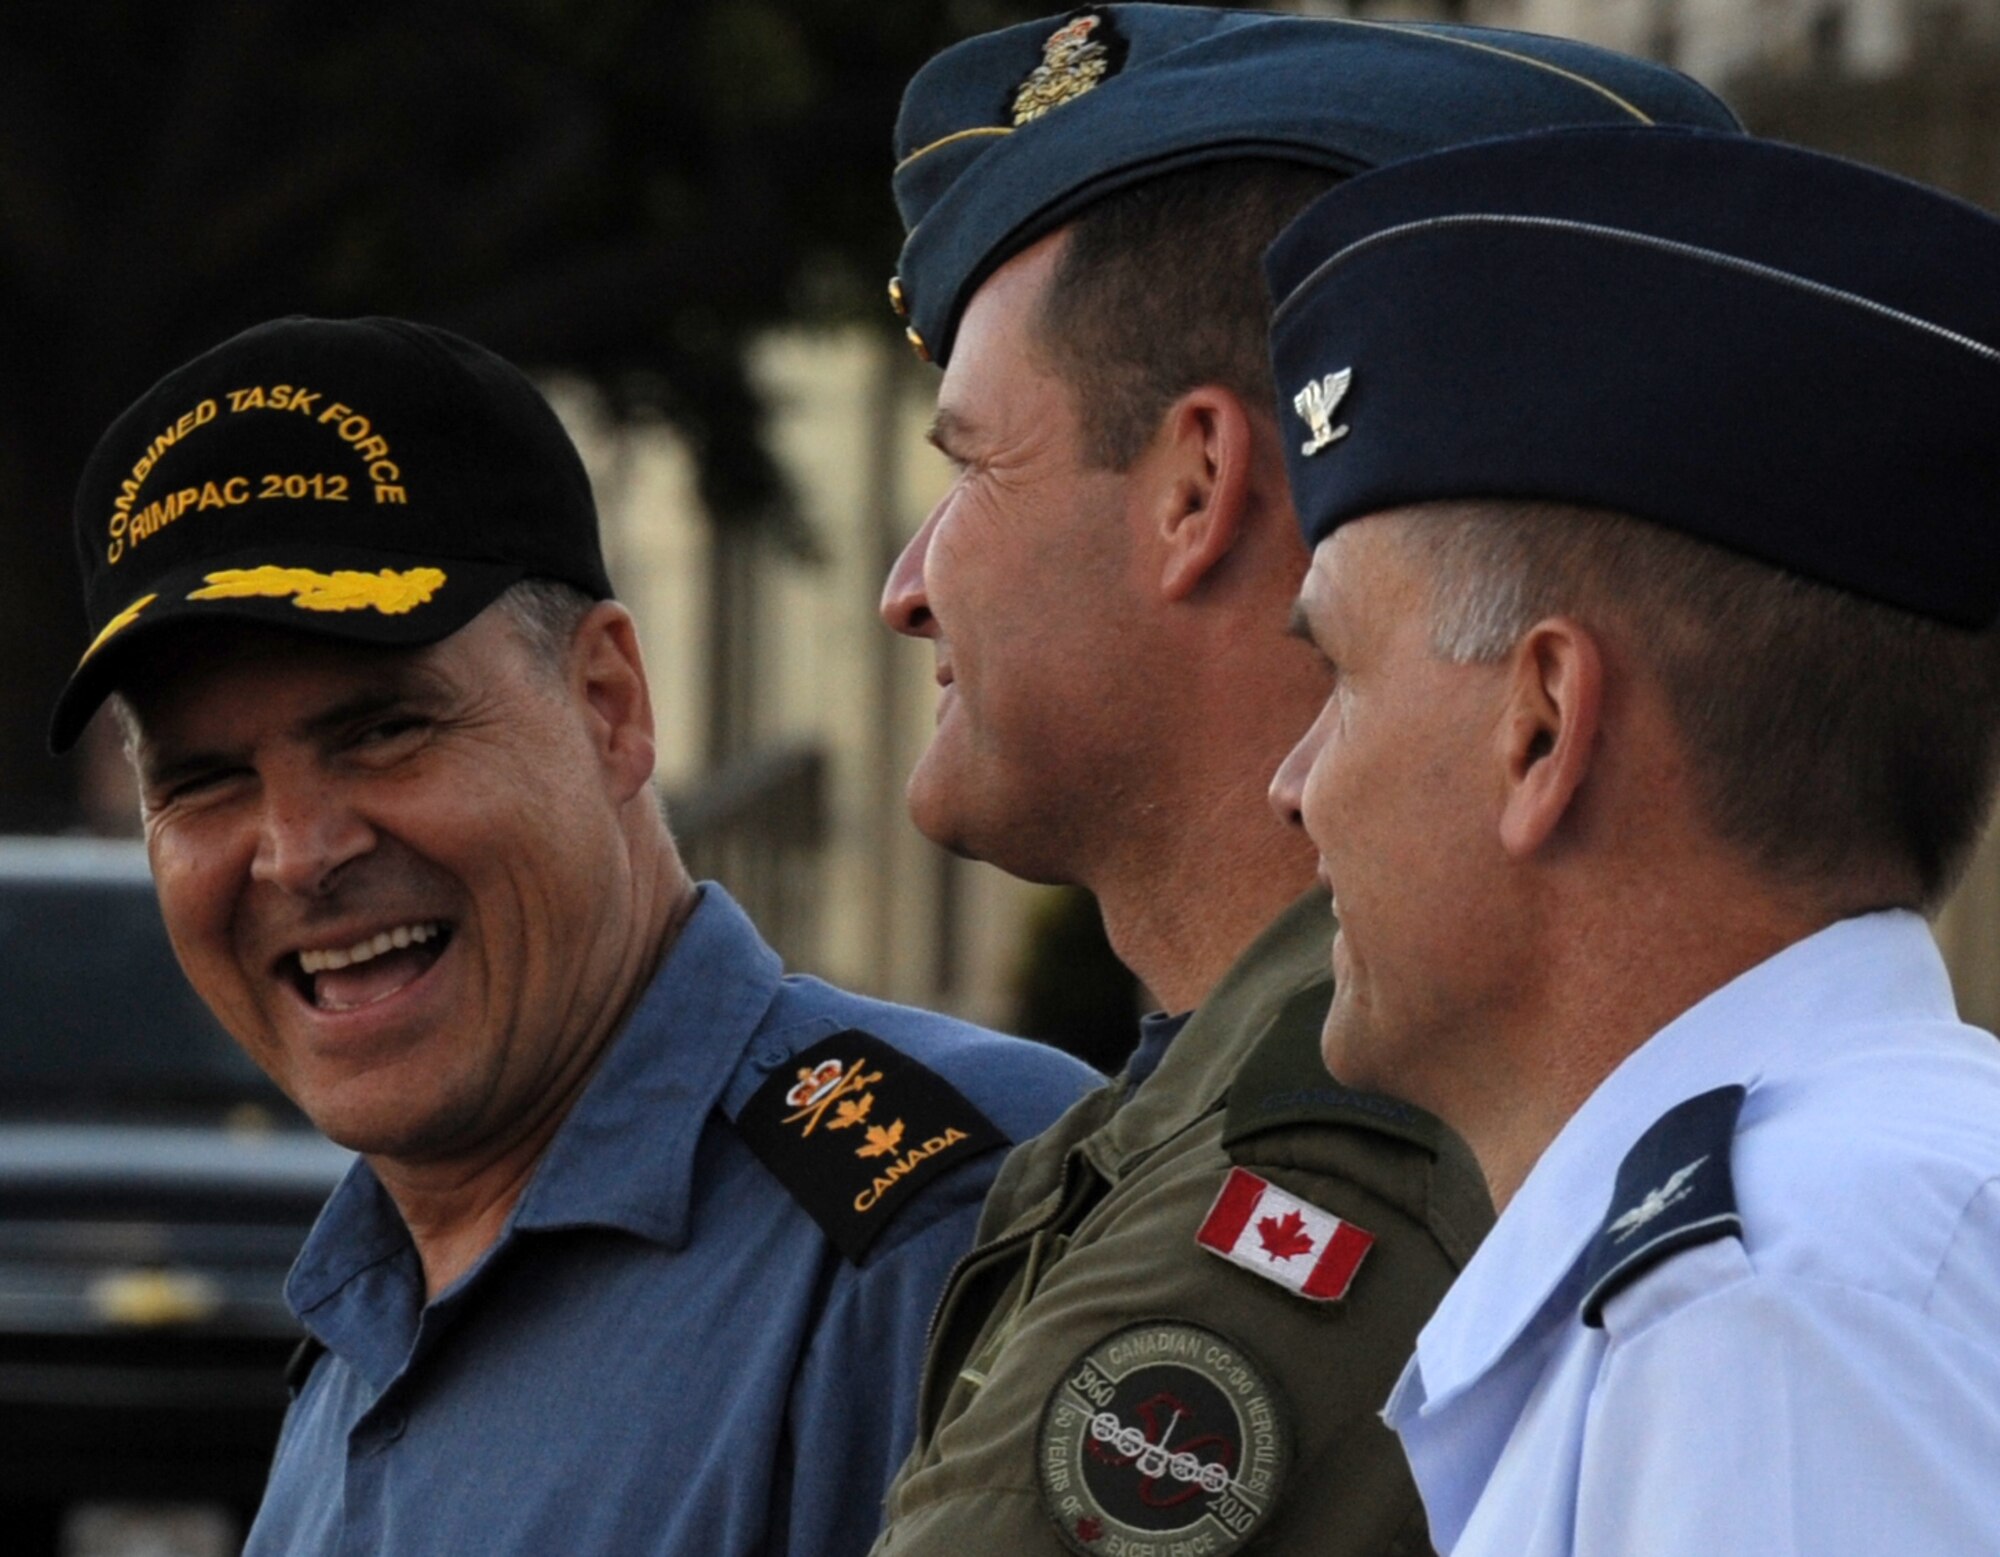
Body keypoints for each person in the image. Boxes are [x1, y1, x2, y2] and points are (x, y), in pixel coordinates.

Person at [871, 9, 1740, 1555]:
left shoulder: (1325, 1182)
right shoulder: (1201, 1127)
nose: (907, 587)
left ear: (1196, 488)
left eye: (972, 467)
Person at [48, 315, 1100, 1557]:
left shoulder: (947, 1225)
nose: (297, 851)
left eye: (383, 731)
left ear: (608, 705)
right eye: (204, 780)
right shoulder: (367, 1313)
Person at [1264, 126, 2000, 1555]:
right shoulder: (1813, 1247)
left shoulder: (1776, 1300)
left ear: (1541, 728)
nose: (1292, 786)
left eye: (1338, 675)